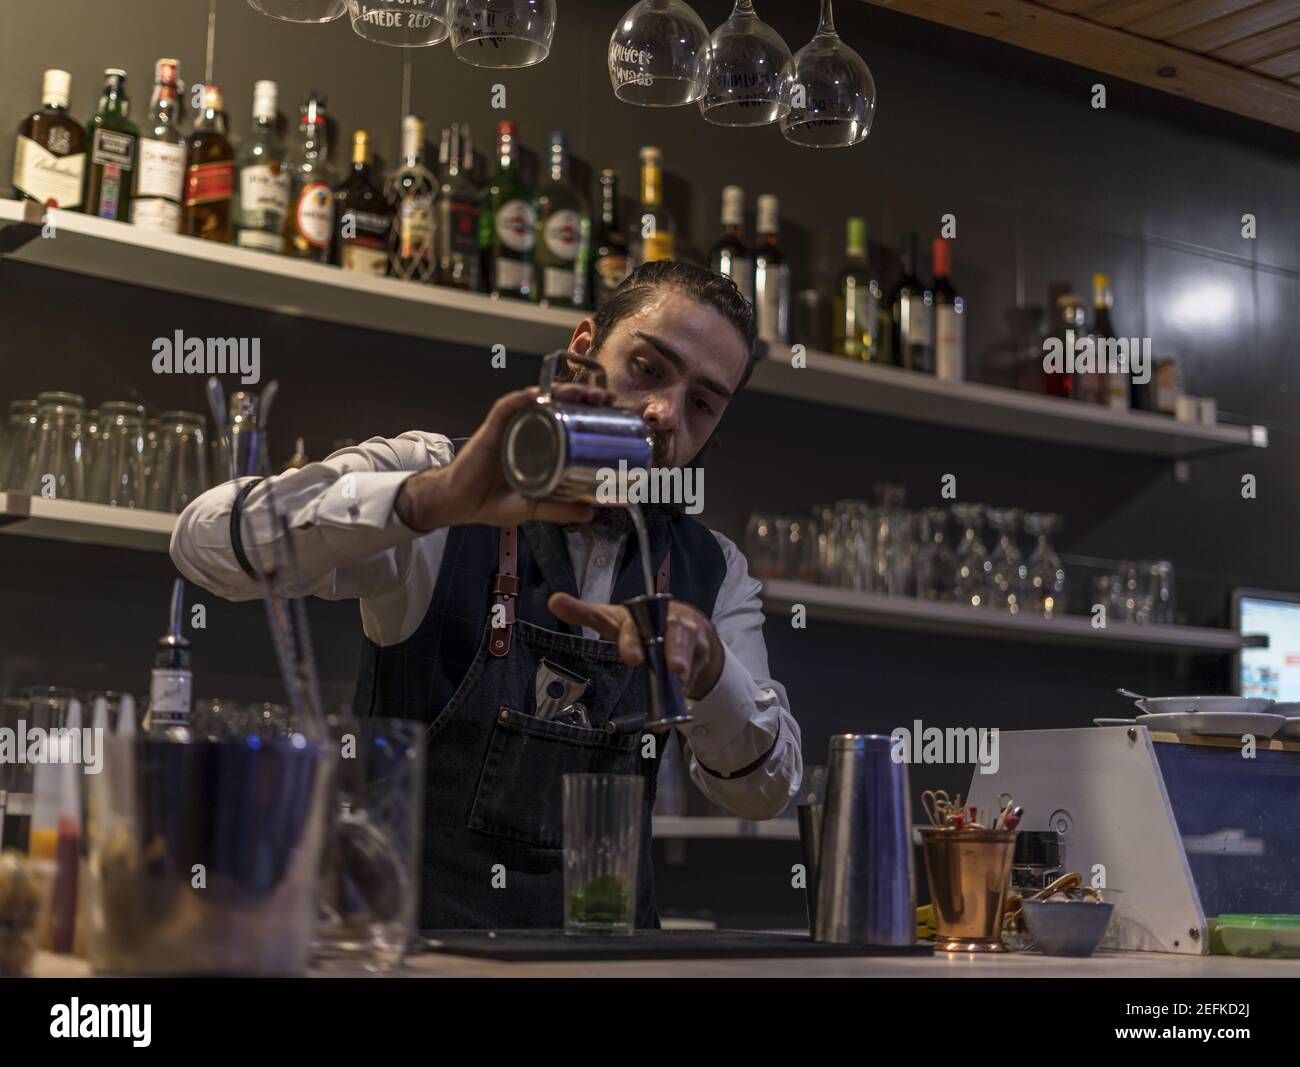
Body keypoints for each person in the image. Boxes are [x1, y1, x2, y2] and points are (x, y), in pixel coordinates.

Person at [171, 260, 802, 930]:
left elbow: (765, 793)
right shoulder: (434, 474)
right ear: (582, 351)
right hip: (412, 963)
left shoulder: (714, 569)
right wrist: (428, 500)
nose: (663, 414)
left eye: (701, 402)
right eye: (647, 368)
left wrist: (710, 672)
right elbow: (202, 541)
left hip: (613, 970)